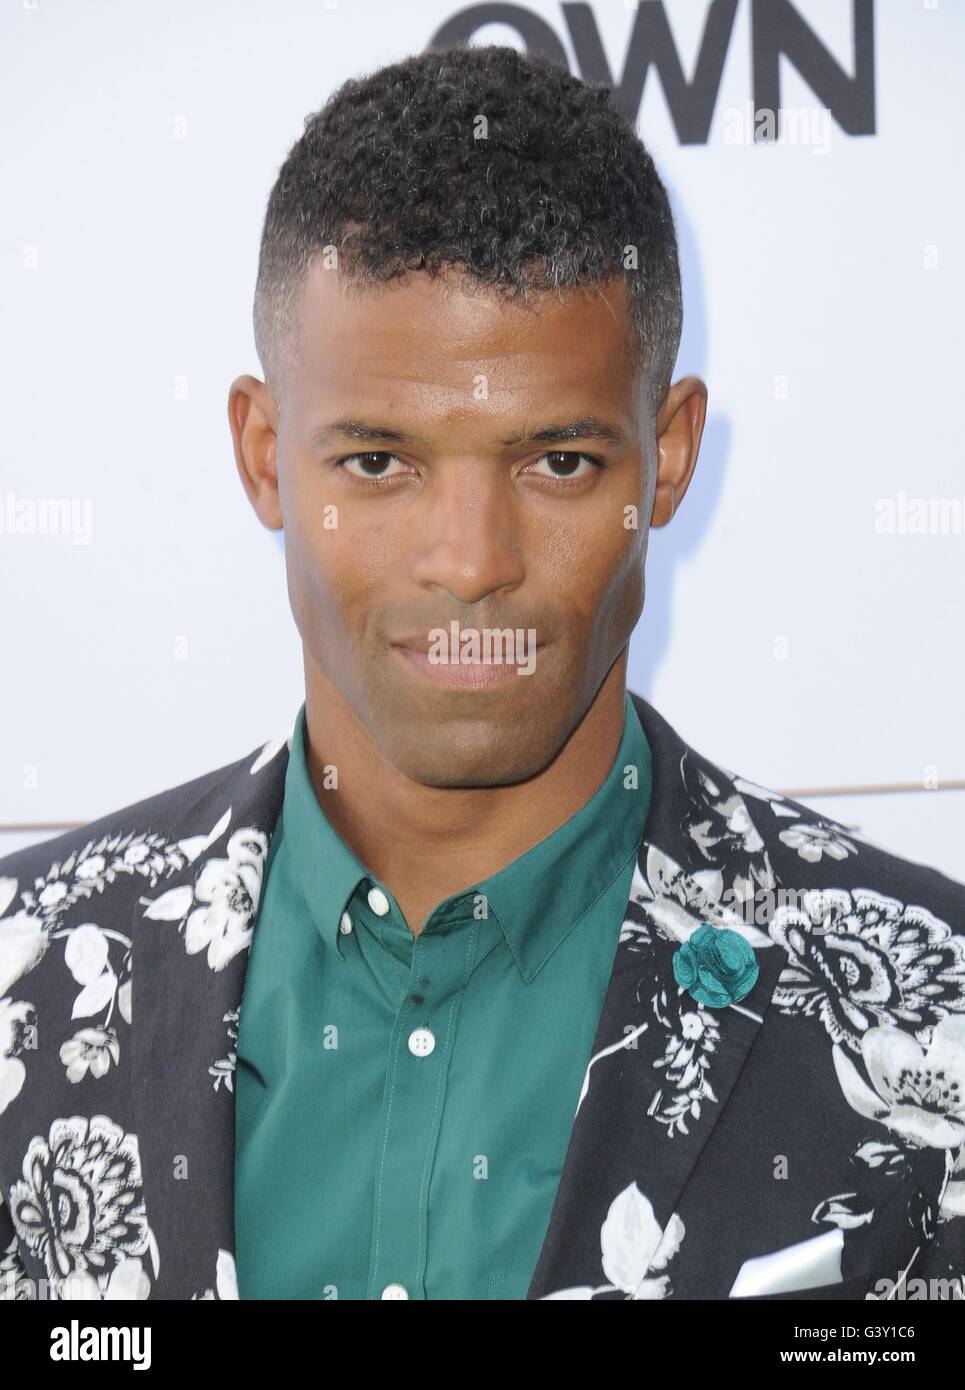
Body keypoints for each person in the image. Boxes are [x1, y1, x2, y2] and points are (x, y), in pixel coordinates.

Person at [1, 44, 962, 1303]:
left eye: (556, 462)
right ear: (262, 455)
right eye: (378, 462)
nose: (469, 564)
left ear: (664, 461)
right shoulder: (24, 965)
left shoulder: (928, 1014)